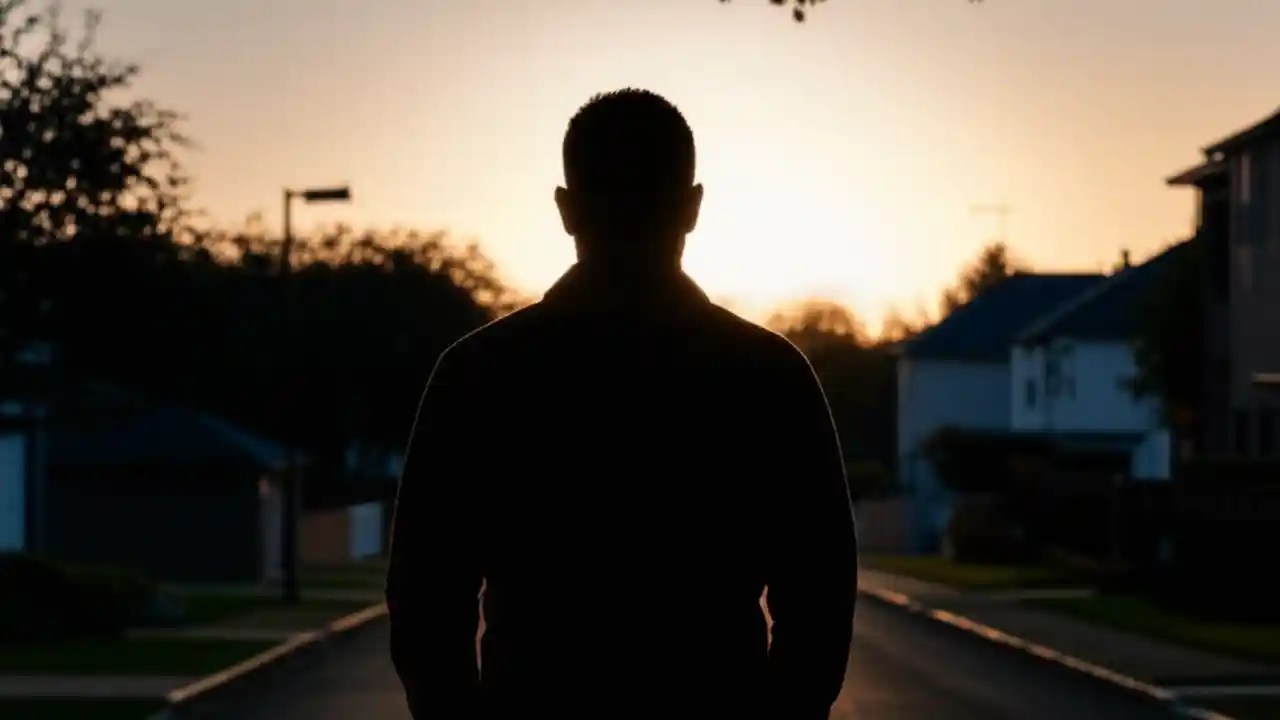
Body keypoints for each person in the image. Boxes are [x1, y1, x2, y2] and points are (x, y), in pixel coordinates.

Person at [386, 88, 857, 719]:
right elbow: (819, 602)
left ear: (565, 209)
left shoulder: (480, 373)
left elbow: (427, 601)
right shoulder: (768, 375)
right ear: (692, 208)